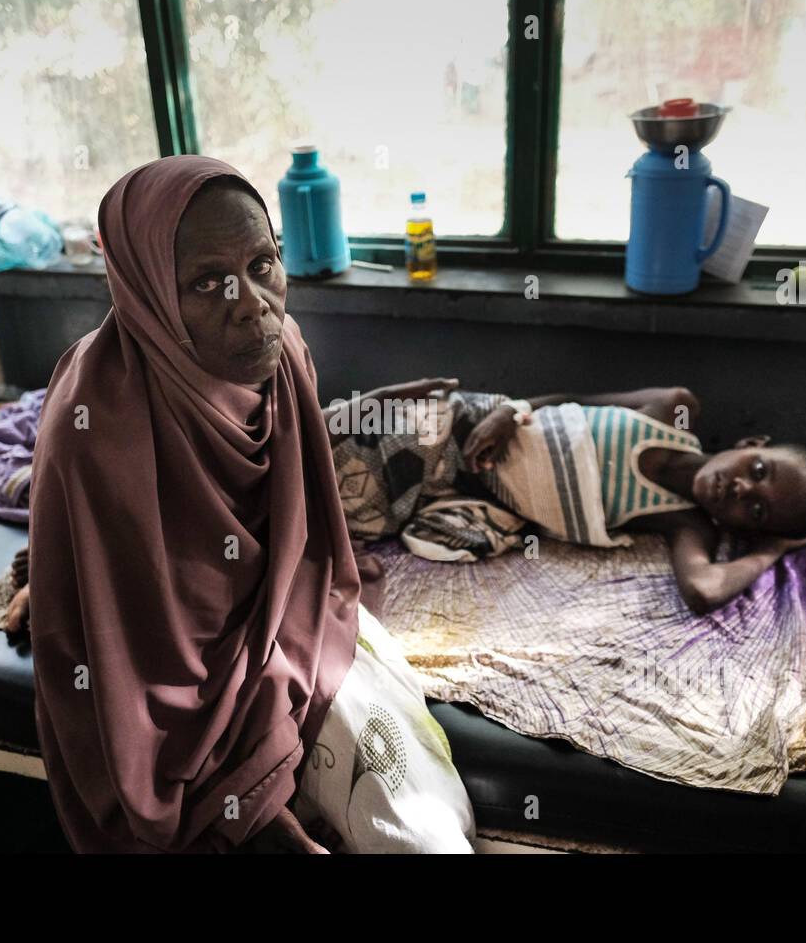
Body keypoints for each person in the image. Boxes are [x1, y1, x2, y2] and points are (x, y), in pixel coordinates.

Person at [27, 156, 474, 853]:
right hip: (194, 672)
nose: (250, 302)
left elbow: (303, 540)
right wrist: (250, 811)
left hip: (292, 615)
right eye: (209, 283)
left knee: (424, 830)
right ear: (144, 292)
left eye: (263, 265)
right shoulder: (95, 430)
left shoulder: (282, 353)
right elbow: (127, 663)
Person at [460, 386, 806, 614]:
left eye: (757, 510)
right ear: (752, 444)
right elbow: (575, 399)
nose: (742, 489)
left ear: (747, 529)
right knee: (411, 422)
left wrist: (770, 550)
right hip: (481, 426)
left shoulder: (686, 523)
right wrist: (511, 411)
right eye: (757, 470)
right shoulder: (675, 410)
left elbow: (704, 590)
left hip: (474, 492)